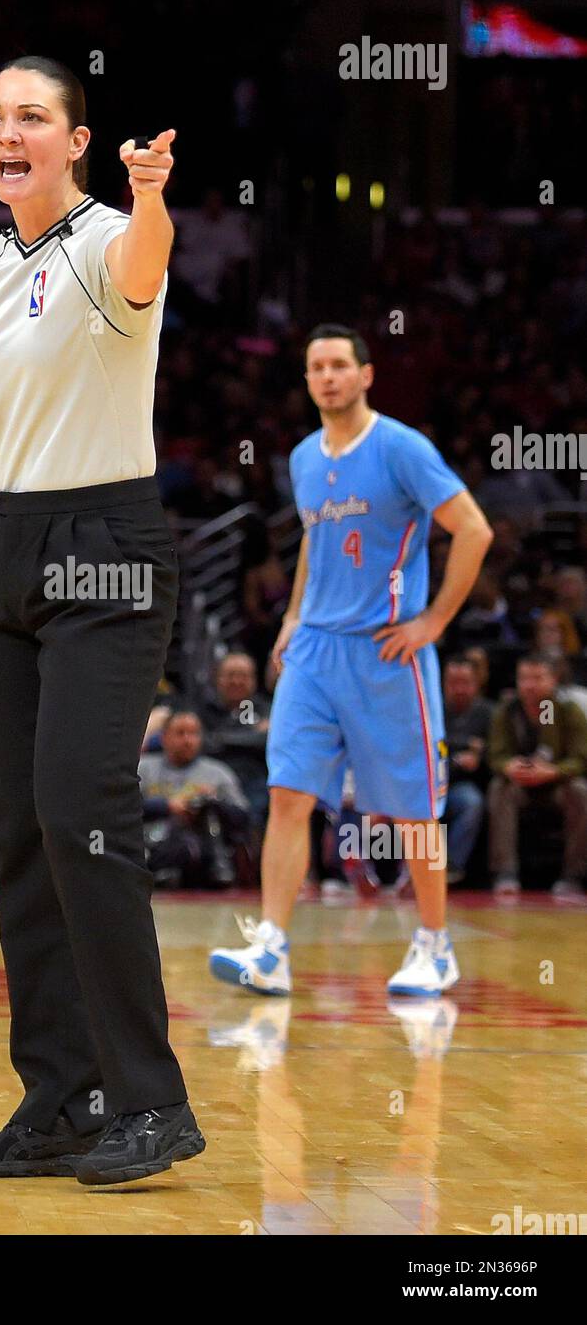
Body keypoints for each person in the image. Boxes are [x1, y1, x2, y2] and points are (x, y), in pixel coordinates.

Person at [0, 56, 204, 1185]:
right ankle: (62, 1096)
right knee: (25, 829)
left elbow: (146, 265)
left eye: (32, 116)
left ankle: (151, 1099)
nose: (7, 132)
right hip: (12, 552)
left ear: (77, 141)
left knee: (85, 802)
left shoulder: (107, 241)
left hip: (109, 546)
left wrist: (152, 193)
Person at [210, 324, 493, 998]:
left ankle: (434, 943)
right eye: (317, 367)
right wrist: (291, 616)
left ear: (366, 375)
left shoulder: (402, 448)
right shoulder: (306, 457)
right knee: (287, 793)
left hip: (387, 649)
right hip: (314, 651)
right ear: (307, 381)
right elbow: (314, 539)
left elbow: (474, 529)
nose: (329, 376)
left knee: (414, 810)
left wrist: (432, 622)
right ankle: (272, 949)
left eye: (341, 365)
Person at [486, 653, 587, 897]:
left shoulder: (566, 709)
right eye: (524, 678)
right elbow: (495, 756)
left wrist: (554, 771)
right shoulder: (507, 711)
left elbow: (581, 758)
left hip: (557, 785)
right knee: (499, 789)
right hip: (519, 785)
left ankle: (573, 874)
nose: (529, 685)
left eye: (537, 678)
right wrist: (509, 766)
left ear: (553, 679)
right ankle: (505, 872)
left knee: (581, 791)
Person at [138, 708, 251, 889]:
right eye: (180, 733)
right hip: (153, 846)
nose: (187, 740)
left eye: (193, 733)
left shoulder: (217, 773)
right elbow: (120, 809)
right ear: (164, 737)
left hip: (205, 851)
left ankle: (219, 874)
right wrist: (167, 806)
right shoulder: (144, 768)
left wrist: (214, 802)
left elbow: (243, 817)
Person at [198, 652, 271, 829]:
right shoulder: (204, 708)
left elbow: (266, 740)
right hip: (210, 780)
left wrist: (220, 737)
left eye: (243, 676)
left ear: (254, 680)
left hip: (254, 781)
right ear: (218, 678)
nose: (237, 681)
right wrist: (248, 734)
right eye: (231, 675)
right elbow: (201, 743)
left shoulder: (265, 708)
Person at [442, 655, 493, 884]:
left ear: (478, 683)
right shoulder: (433, 710)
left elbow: (497, 753)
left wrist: (481, 759)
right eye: (453, 683)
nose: (459, 689)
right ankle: (409, 871)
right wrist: (455, 761)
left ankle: (451, 867)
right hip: (429, 786)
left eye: (466, 683)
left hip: (462, 786)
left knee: (471, 801)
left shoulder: (489, 713)